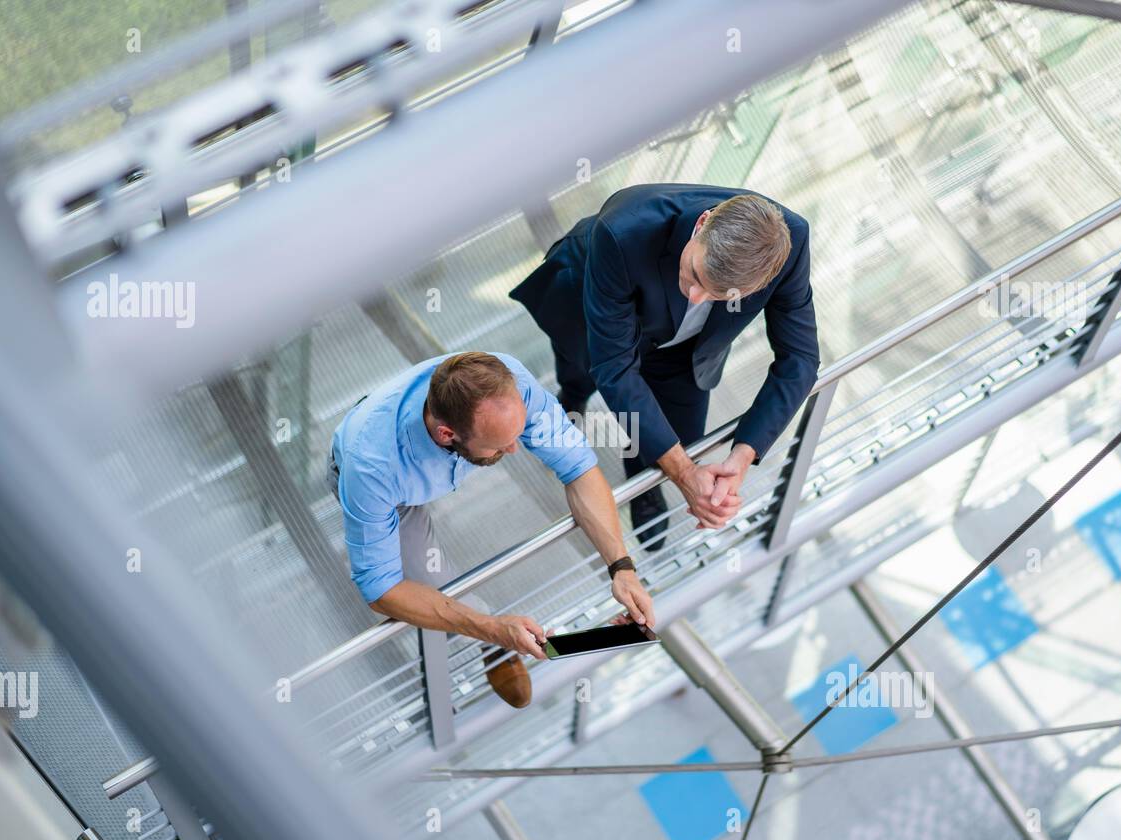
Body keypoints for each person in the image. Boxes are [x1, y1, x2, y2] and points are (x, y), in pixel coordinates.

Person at [326, 351, 655, 709]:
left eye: (517, 432)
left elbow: (578, 468)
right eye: (500, 445)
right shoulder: (370, 469)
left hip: (420, 452)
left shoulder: (506, 379)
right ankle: (490, 644)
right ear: (447, 434)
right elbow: (380, 589)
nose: (516, 448)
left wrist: (621, 567)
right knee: (430, 583)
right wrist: (491, 628)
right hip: (387, 486)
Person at [510, 183, 819, 551]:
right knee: (582, 370)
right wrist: (684, 474)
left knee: (676, 437)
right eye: (696, 274)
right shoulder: (623, 229)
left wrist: (742, 455)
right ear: (703, 223)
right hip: (592, 296)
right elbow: (615, 367)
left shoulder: (790, 244)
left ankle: (644, 480)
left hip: (686, 347)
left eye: (718, 296)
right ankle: (572, 398)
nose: (696, 297)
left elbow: (800, 358)